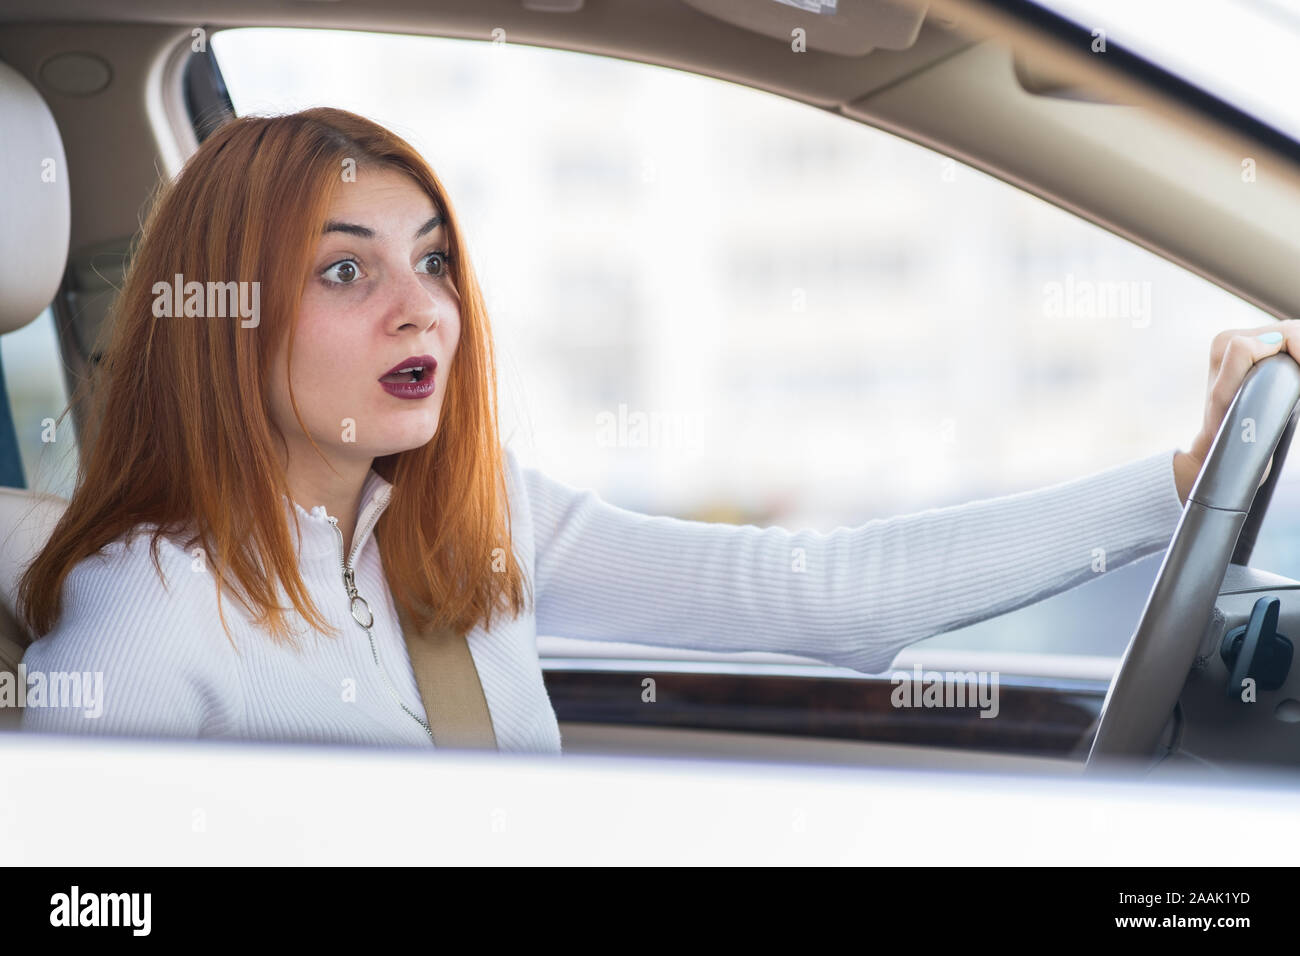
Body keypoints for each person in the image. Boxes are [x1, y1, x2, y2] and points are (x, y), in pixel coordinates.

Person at [15, 107, 1300, 755]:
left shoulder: (470, 516)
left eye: (435, 260)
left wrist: (1175, 485)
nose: (425, 310)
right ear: (225, 316)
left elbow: (810, 592)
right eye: (345, 272)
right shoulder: (148, 612)